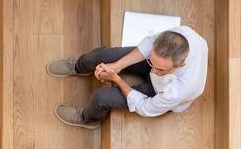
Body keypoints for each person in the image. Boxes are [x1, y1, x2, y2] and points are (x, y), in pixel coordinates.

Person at [48, 25, 208, 130]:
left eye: (159, 69)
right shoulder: (184, 33)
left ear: (179, 66)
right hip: (162, 65)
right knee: (102, 55)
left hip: (160, 91)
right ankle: (78, 67)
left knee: (101, 96)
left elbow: (144, 107)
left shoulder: (179, 90)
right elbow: (149, 44)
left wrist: (116, 79)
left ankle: (88, 119)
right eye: (151, 62)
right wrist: (117, 66)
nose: (152, 71)